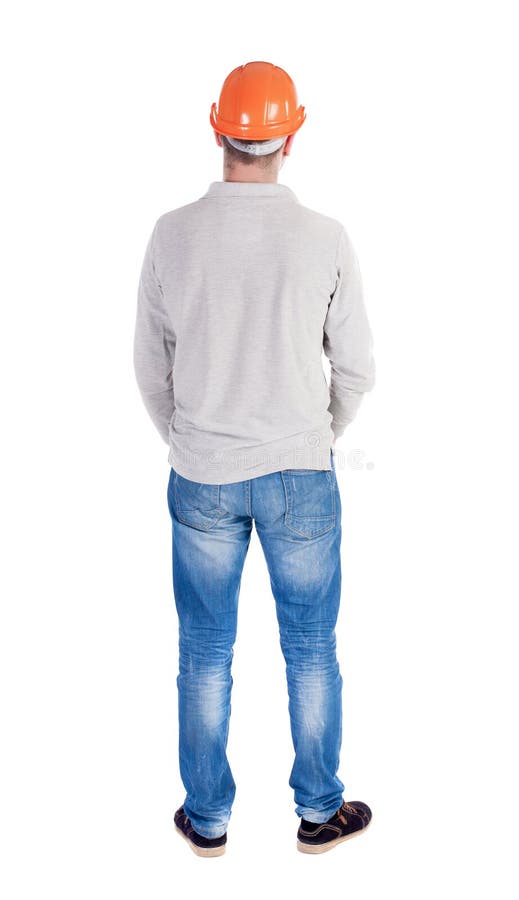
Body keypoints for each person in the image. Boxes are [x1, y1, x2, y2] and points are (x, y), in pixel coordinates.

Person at [133, 60, 375, 857]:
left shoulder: (172, 234)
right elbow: (357, 369)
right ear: (291, 137)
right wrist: (315, 435)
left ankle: (207, 821)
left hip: (201, 474)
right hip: (300, 473)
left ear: (217, 128)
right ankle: (318, 813)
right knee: (311, 650)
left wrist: (190, 437)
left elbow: (150, 368)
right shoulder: (324, 238)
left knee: (204, 650)